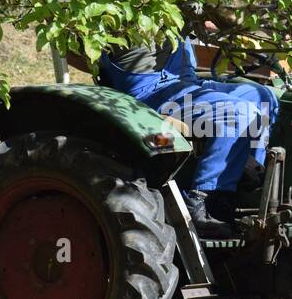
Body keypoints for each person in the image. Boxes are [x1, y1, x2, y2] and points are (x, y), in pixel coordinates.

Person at [97, 38, 278, 237]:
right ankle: (202, 198)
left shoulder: (177, 10)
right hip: (153, 92)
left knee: (263, 97)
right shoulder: (125, 16)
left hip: (186, 82)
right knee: (240, 113)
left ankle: (248, 173)